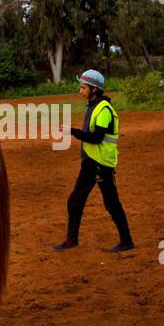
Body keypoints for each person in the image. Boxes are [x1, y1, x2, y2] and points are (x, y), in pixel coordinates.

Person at [52, 69, 134, 253]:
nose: (80, 91)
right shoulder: (94, 106)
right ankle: (71, 240)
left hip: (101, 164)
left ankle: (127, 241)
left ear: (94, 89)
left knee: (111, 203)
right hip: (90, 163)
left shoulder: (104, 109)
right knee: (74, 201)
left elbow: (96, 138)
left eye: (83, 87)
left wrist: (71, 131)